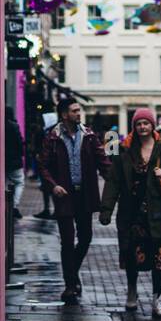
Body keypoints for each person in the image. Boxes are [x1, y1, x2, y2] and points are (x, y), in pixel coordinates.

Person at [99, 106, 161, 319]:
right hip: (132, 214)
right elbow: (113, 181)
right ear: (134, 126)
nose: (142, 127)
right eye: (138, 124)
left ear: (152, 125)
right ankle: (132, 291)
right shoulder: (123, 149)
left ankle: (157, 300)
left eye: (146, 123)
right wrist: (106, 209)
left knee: (160, 258)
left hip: (159, 214)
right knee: (131, 255)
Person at [38, 96, 107, 304]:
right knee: (67, 242)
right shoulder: (52, 137)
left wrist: (117, 180)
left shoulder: (89, 135)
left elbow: (103, 162)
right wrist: (54, 185)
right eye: (75, 111)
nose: (79, 114)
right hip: (64, 196)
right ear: (64, 114)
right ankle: (70, 285)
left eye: (79, 110)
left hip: (85, 195)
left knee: (85, 237)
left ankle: (72, 273)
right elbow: (43, 165)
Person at [4, 105, 25, 218]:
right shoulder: (14, 126)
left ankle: (4, 205)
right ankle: (14, 206)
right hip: (15, 160)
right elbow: (19, 142)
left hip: (3, 160)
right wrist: (22, 154)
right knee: (19, 182)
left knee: (5, 182)